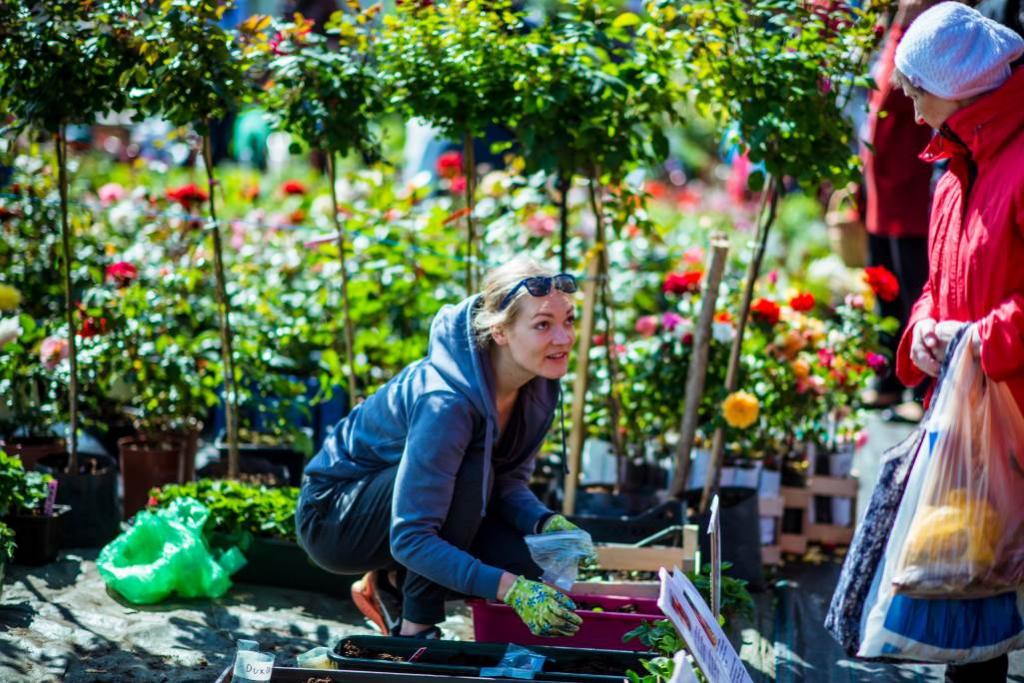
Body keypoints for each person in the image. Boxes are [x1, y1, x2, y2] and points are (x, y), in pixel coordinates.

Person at [296, 257, 587, 639]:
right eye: (543, 325)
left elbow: (507, 481)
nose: (564, 338)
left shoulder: (538, 386)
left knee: (532, 563)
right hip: (336, 518)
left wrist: (544, 523)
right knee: (471, 472)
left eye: (568, 320)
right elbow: (412, 536)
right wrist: (510, 589)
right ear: (500, 331)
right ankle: (414, 628)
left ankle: (389, 584)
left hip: (410, 506)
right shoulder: (446, 402)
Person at [892, 3, 1024, 681]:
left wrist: (975, 339)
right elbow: (938, 284)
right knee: (971, 622)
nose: (914, 115)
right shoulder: (952, 169)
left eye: (916, 94)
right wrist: (923, 332)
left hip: (1014, 423)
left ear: (957, 86)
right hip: (972, 435)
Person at [858, 0, 937, 421]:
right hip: (882, 184)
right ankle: (888, 377)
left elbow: (897, 91)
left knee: (913, 286)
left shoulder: (920, 32)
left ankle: (918, 387)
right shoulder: (893, 32)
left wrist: (903, 25)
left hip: (908, 184)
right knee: (884, 283)